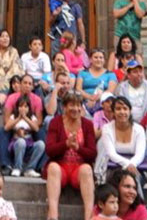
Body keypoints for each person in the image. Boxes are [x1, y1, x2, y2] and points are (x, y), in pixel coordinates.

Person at [43, 91, 96, 220]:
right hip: (61, 168)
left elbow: (92, 153)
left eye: (79, 105)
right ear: (64, 107)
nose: (76, 109)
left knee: (87, 169)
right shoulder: (56, 122)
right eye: (72, 105)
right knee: (53, 167)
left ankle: (89, 217)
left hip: (78, 170)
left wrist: (78, 148)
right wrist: (66, 144)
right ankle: (53, 216)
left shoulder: (87, 124)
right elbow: (49, 150)